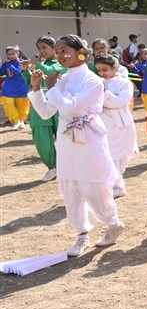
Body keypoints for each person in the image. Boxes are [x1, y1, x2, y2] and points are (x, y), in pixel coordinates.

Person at [27, 35, 125, 256]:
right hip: (66, 139)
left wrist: (51, 87)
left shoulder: (93, 81)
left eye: (64, 50)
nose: (61, 55)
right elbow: (45, 112)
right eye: (58, 51)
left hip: (89, 138)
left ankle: (113, 223)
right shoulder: (61, 79)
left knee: (94, 187)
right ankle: (82, 234)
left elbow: (71, 107)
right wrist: (36, 89)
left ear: (80, 51)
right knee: (70, 187)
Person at [21, 36, 65, 181]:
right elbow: (31, 83)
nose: (42, 51)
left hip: (57, 104)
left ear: (54, 48)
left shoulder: (62, 62)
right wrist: (26, 71)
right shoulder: (40, 64)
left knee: (64, 136)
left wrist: (38, 64)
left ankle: (67, 166)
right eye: (39, 48)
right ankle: (53, 167)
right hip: (39, 103)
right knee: (41, 136)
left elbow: (52, 73)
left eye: (44, 47)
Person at [94, 54, 139, 198]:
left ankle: (116, 182)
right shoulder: (98, 83)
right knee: (109, 155)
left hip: (122, 124)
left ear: (114, 67)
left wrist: (105, 95)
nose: (102, 73)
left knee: (122, 157)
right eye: (99, 70)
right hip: (104, 124)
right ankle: (116, 186)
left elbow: (122, 101)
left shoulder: (124, 82)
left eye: (105, 69)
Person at [2, 46, 30, 129]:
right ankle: (16, 121)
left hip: (21, 87)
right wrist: (3, 65)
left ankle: (21, 121)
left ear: (18, 53)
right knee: (8, 105)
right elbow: (1, 72)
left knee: (22, 107)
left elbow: (18, 72)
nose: (11, 56)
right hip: (9, 87)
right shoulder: (6, 63)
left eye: (13, 53)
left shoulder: (22, 62)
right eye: (9, 54)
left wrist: (8, 64)